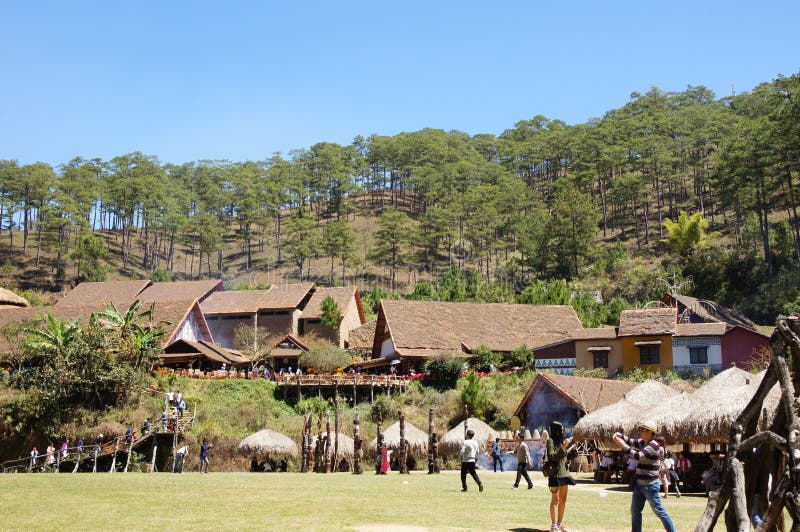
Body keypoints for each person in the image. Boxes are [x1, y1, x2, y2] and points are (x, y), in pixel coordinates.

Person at [613, 421, 676, 532]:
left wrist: (623, 445)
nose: (641, 432)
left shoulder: (653, 445)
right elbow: (632, 441)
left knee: (659, 511)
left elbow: (638, 455)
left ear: (650, 432)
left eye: (643, 430)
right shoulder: (644, 442)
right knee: (635, 511)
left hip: (650, 485)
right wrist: (620, 435)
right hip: (639, 484)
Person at [546, 421, 577, 532]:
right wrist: (563, 447)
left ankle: (560, 524)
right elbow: (552, 456)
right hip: (555, 474)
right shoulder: (550, 441)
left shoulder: (561, 441)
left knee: (563, 500)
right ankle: (553, 526)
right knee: (555, 500)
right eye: (561, 430)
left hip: (565, 473)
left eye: (564, 429)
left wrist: (573, 450)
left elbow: (566, 457)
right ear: (556, 430)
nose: (563, 432)